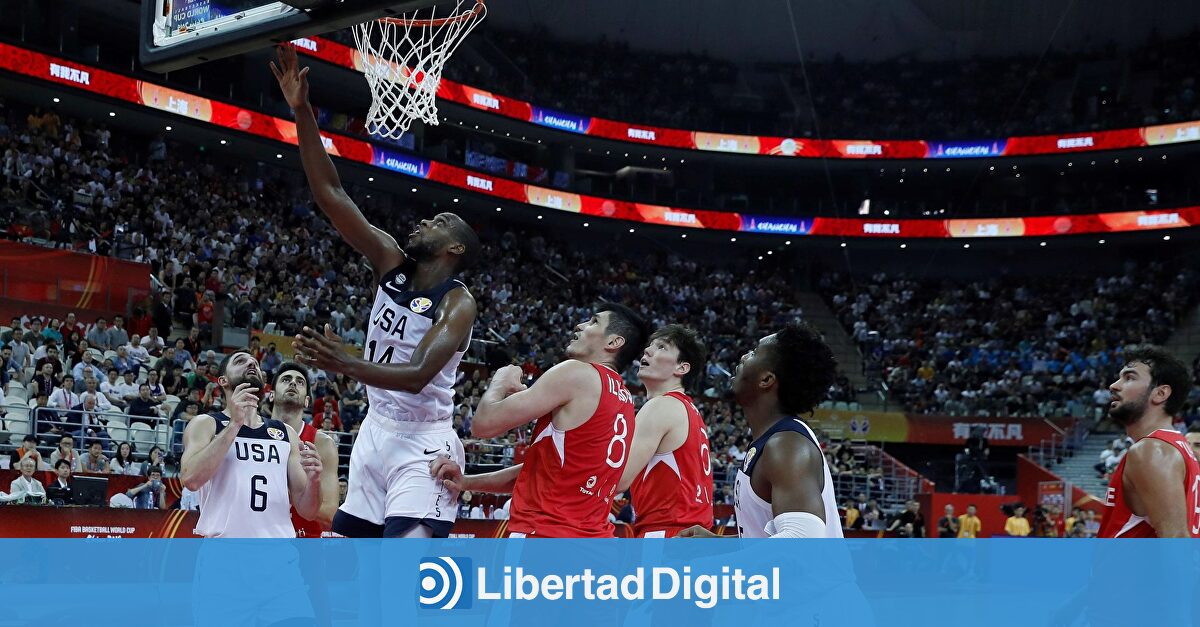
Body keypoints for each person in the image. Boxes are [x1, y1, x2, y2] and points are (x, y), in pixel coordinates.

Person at [274, 45, 481, 539]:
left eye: (439, 221)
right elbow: (331, 195)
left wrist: (342, 361)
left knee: (400, 578)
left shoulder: (458, 302)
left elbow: (414, 377)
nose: (425, 220)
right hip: (374, 432)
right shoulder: (389, 259)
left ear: (453, 247)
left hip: (424, 443)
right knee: (346, 568)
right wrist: (302, 111)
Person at [431, 303, 648, 537]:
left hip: (543, 535)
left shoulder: (577, 373)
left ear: (614, 342)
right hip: (594, 541)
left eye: (593, 322)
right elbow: (542, 472)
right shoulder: (625, 400)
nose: (580, 325)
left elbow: (483, 424)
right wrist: (467, 483)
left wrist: (501, 380)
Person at [679, 320, 842, 538]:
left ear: (766, 379)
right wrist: (715, 542)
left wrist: (715, 565)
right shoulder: (773, 439)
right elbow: (769, 539)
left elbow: (802, 541)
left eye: (755, 352)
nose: (745, 356)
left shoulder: (786, 446)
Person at [179, 350, 323, 538]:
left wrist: (314, 481)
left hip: (277, 553)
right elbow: (190, 479)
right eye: (240, 361)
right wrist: (234, 426)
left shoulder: (286, 433)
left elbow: (308, 511)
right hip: (225, 551)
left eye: (255, 363)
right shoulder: (205, 424)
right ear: (223, 381)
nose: (251, 364)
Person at [616, 325, 714, 537]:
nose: (648, 351)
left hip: (666, 534)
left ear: (681, 368)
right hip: (690, 535)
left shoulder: (661, 405)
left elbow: (618, 478)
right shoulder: (689, 411)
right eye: (649, 346)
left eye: (661, 347)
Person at [1098, 347, 1200, 537]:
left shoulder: (1152, 450)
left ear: (1160, 394)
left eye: (1129, 378)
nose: (1114, 385)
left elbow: (1176, 540)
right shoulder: (1178, 449)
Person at [269, 362, 339, 537]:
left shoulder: (322, 444)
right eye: (286, 379)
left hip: (304, 544)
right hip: (260, 539)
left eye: (300, 382)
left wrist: (295, 493)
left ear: (307, 400)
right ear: (271, 395)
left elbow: (330, 513)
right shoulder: (252, 433)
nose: (293, 383)